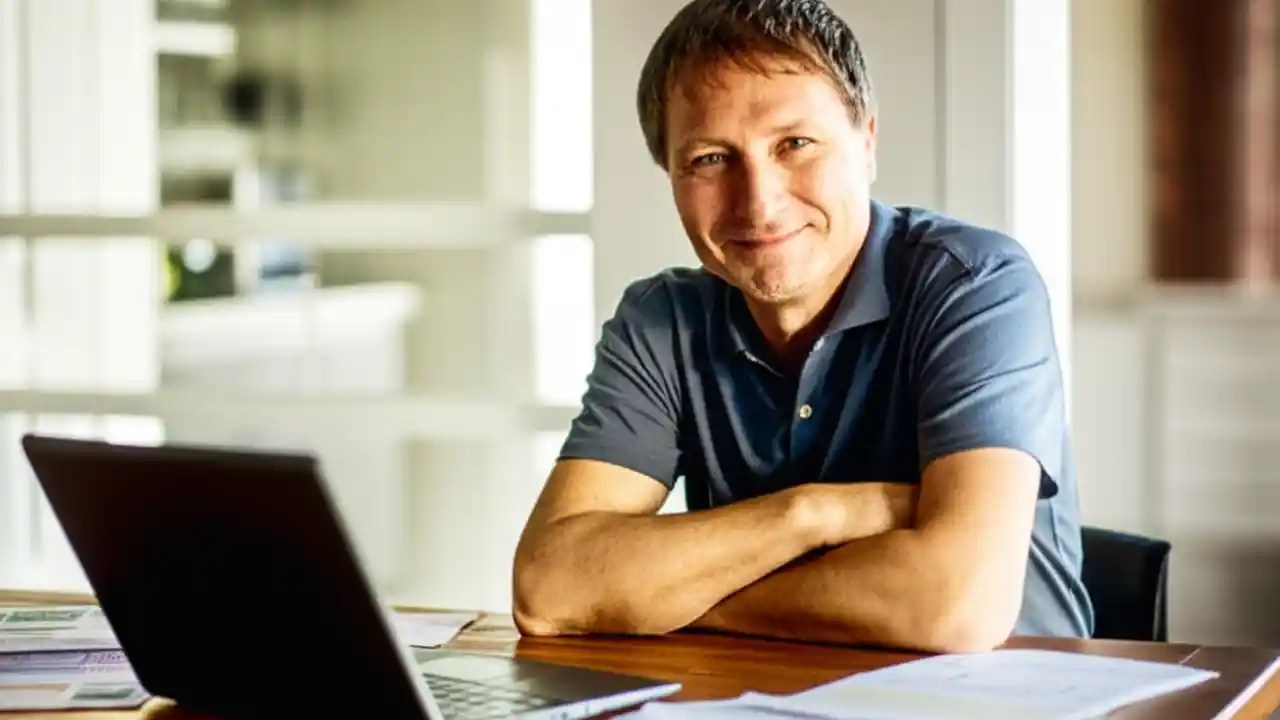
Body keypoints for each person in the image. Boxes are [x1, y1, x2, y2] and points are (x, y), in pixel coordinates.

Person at [512, 0, 1093, 653]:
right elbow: (550, 589)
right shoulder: (661, 322)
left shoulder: (974, 283)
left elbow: (956, 607)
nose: (759, 201)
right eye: (710, 158)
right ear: (670, 175)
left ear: (866, 141)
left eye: (795, 144)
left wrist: (671, 600)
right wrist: (816, 513)